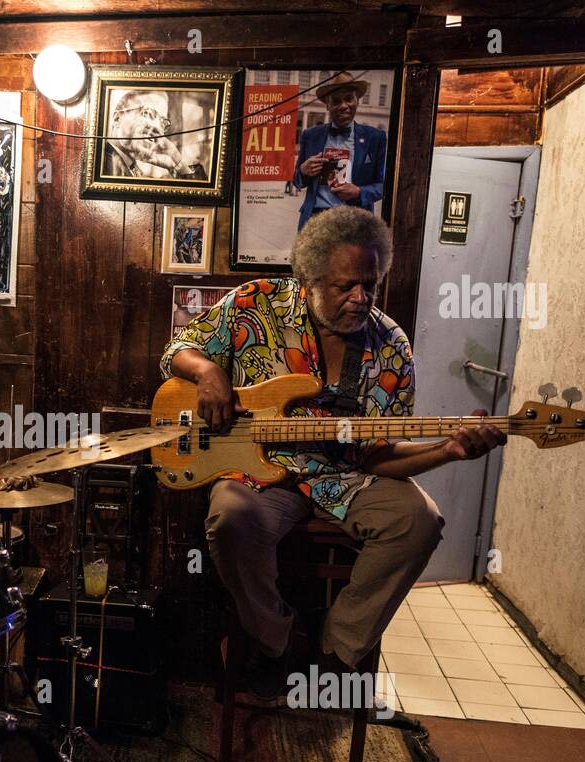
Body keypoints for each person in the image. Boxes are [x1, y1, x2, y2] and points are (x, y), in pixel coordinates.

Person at [160, 207, 505, 698]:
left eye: (370, 284)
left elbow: (378, 457)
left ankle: (334, 651)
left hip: (346, 476)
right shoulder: (257, 303)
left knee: (419, 519)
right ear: (308, 279)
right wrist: (207, 372)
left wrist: (448, 450)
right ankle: (276, 638)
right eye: (345, 286)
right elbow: (177, 348)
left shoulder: (391, 348)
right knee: (230, 518)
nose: (360, 298)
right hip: (263, 471)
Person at [292, 72, 386, 232]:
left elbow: (385, 185)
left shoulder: (375, 138)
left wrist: (359, 192)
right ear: (327, 105)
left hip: (356, 222)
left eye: (349, 99)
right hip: (315, 222)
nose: (343, 105)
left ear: (357, 100)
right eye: (336, 101)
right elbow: (297, 181)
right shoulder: (311, 135)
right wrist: (303, 171)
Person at [102, 90, 207, 180]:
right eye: (147, 113)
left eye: (163, 122)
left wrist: (175, 160)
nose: (156, 127)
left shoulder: (134, 168)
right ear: (117, 119)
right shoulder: (102, 164)